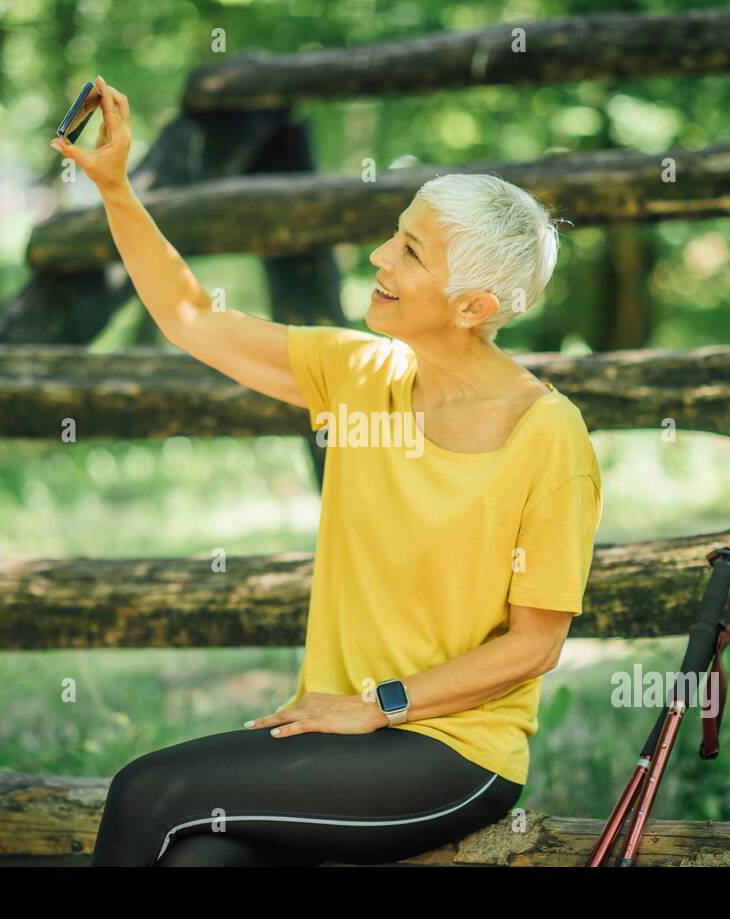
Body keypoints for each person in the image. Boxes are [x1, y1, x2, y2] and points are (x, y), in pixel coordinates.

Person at [54, 76, 603, 866]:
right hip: (336, 731)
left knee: (148, 790)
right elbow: (191, 316)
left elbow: (534, 647)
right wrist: (115, 187)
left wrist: (379, 706)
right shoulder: (359, 372)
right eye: (396, 232)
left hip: (452, 753)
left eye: (410, 252)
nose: (380, 256)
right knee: (198, 861)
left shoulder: (549, 437)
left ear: (473, 306)